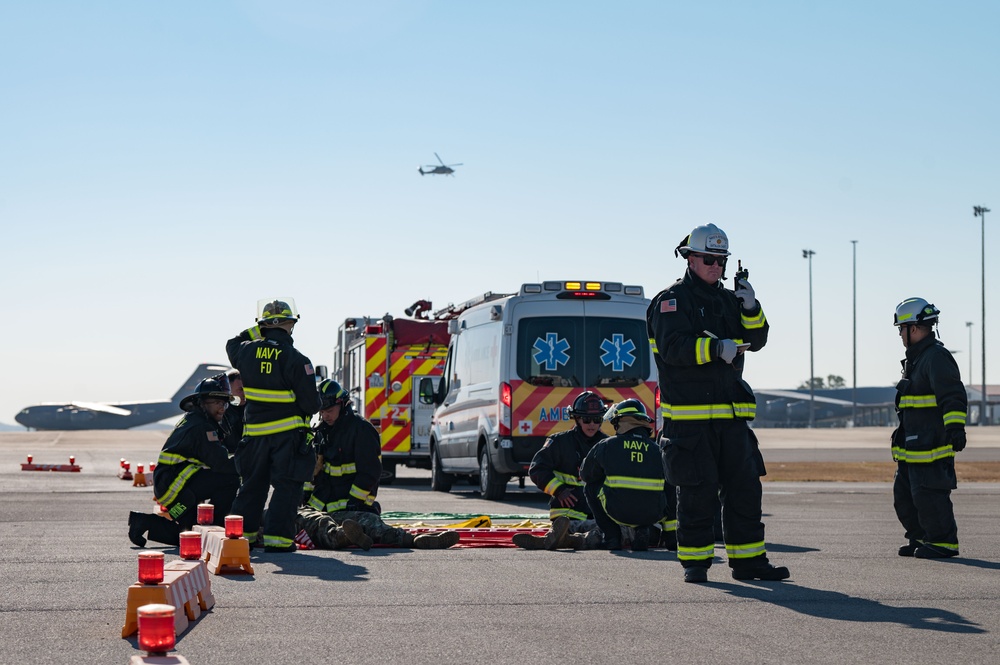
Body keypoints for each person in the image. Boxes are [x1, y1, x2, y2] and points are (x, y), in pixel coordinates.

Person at [646, 223, 788, 583]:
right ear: (690, 258)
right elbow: (673, 349)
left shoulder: (729, 300)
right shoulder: (670, 301)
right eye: (709, 259)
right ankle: (695, 563)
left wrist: (751, 306)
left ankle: (749, 562)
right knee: (697, 493)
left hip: (732, 419)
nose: (716, 266)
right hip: (689, 422)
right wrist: (715, 348)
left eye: (721, 260)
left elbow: (758, 339)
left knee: (745, 491)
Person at [306, 379, 459, 549]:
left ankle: (413, 540)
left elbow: (370, 472)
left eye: (329, 411)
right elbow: (312, 474)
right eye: (322, 411)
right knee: (308, 523)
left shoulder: (361, 430)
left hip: (352, 507)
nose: (325, 416)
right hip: (321, 510)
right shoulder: (321, 433)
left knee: (366, 523)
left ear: (342, 404)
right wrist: (304, 500)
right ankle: (346, 536)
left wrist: (354, 502)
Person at [226, 298, 320, 552]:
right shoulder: (298, 359)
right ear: (290, 324)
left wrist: (259, 330)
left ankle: (241, 539)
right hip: (287, 438)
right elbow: (311, 404)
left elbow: (232, 342)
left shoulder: (245, 351)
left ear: (263, 325)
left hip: (254, 437)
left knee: (251, 487)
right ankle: (278, 541)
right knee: (287, 487)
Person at [891, 298, 967, 559]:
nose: (900, 335)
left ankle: (942, 542)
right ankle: (921, 537)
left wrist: (955, 427)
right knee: (905, 497)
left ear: (913, 328)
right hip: (912, 447)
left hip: (931, 447)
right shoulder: (916, 360)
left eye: (901, 329)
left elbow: (952, 394)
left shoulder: (936, 357)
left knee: (930, 495)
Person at [128, 375, 240, 547]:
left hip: (174, 484)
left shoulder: (195, 420)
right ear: (202, 403)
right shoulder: (201, 427)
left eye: (224, 403)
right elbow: (221, 464)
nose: (222, 408)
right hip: (175, 487)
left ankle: (143, 522)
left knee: (190, 535)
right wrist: (250, 464)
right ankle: (217, 525)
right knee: (230, 479)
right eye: (217, 402)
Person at [513, 391, 608, 550]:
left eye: (597, 419)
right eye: (586, 419)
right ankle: (564, 536)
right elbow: (537, 469)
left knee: (603, 530)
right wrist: (559, 490)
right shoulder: (559, 442)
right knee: (597, 532)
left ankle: (556, 540)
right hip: (566, 516)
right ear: (576, 418)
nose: (592, 424)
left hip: (596, 514)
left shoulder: (607, 445)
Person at [579, 399, 670, 551]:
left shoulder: (607, 445)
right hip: (652, 514)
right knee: (667, 486)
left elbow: (586, 475)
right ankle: (644, 530)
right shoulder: (658, 450)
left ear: (620, 422)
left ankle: (612, 537)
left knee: (590, 487)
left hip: (617, 512)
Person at [219, 369, 245, 454]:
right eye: (240, 389)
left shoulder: (253, 411)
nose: (244, 393)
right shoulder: (221, 415)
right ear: (229, 390)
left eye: (246, 389)